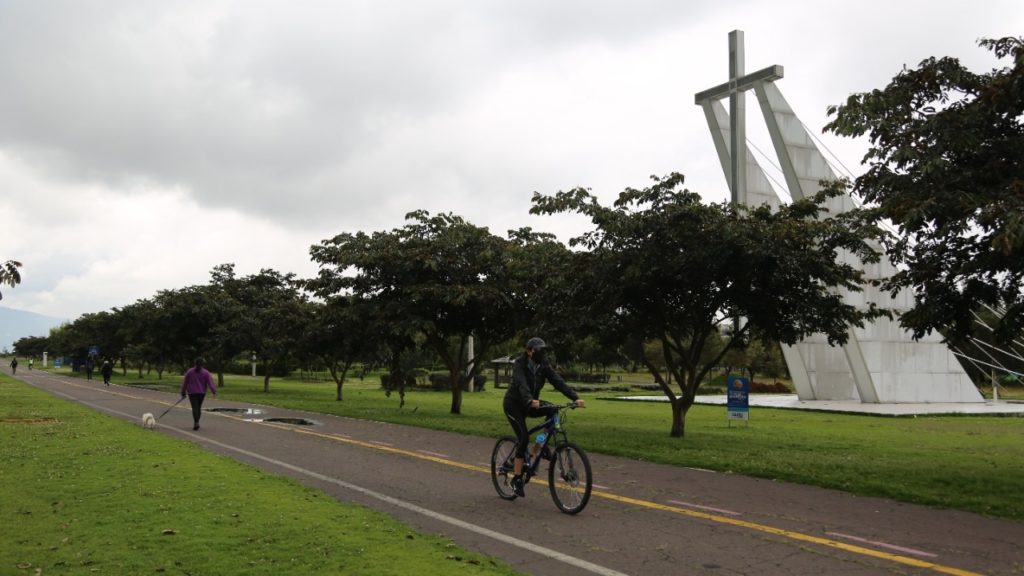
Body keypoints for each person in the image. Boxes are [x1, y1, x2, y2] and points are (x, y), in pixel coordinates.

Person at [502, 337, 584, 497]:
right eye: (539, 350)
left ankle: (541, 445)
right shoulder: (520, 363)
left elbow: (558, 381)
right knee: (523, 438)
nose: (542, 353)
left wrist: (575, 398)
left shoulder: (544, 365)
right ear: (529, 351)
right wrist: (528, 399)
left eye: (544, 350)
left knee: (553, 410)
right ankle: (517, 479)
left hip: (532, 404)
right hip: (514, 405)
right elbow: (521, 383)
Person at [180, 357, 217, 431]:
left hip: (192, 393)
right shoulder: (206, 373)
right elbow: (210, 383)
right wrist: (214, 391)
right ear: (203, 364)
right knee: (198, 407)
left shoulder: (190, 372)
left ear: (195, 363)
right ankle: (197, 422)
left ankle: (196, 422)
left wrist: (183, 392)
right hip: (201, 393)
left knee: (195, 407)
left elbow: (185, 383)